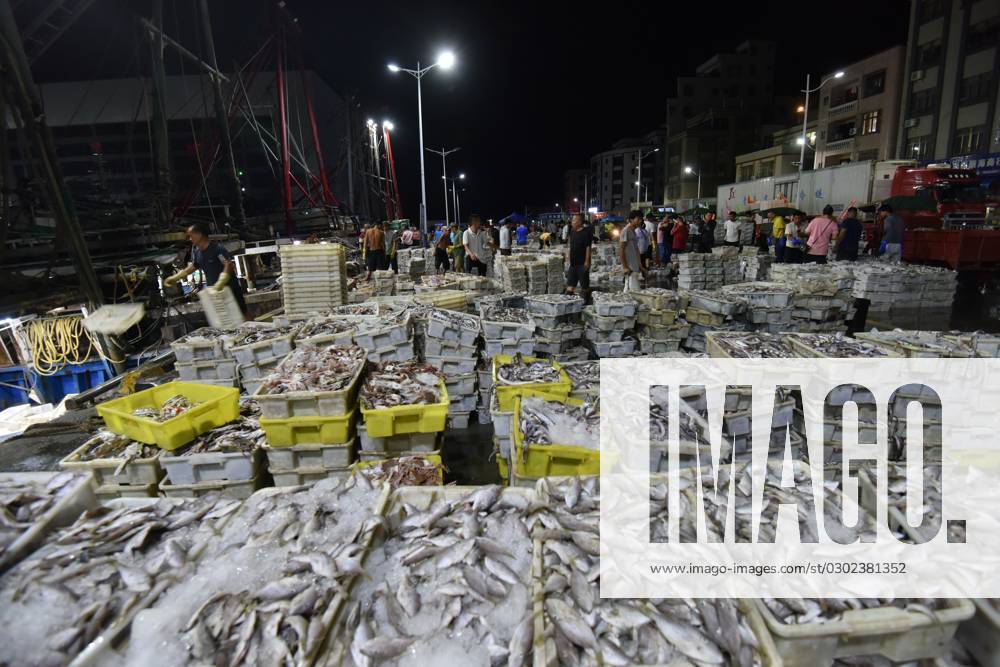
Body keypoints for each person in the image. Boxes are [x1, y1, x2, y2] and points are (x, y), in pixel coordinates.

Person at [164, 222, 249, 318]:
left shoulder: (217, 249)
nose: (190, 239)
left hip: (230, 288)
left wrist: (221, 282)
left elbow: (228, 264)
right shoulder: (197, 252)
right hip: (214, 292)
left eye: (191, 236)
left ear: (199, 234)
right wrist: (176, 277)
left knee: (242, 313)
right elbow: (193, 266)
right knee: (225, 318)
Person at [565, 213, 593, 297]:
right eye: (572, 220)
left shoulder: (586, 232)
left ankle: (587, 301)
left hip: (582, 263)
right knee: (570, 286)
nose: (572, 222)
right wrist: (568, 257)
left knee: (584, 287)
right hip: (573, 263)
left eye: (574, 220)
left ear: (580, 221)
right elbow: (570, 245)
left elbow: (588, 248)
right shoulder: (572, 231)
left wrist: (587, 262)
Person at [619, 210, 645, 291]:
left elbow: (636, 249)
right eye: (638, 219)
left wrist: (640, 265)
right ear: (631, 219)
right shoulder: (626, 230)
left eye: (641, 219)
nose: (640, 221)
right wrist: (625, 267)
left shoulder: (634, 231)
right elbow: (621, 249)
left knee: (631, 287)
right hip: (629, 265)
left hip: (634, 264)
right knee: (631, 288)